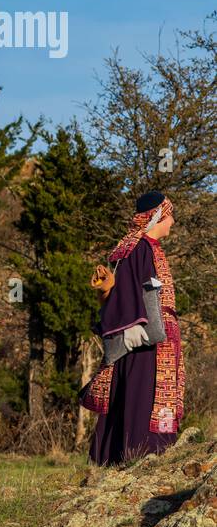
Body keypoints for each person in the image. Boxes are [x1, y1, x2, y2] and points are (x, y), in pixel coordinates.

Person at [84, 192, 183, 465]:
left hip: (153, 335)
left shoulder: (142, 247)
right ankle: (142, 456)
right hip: (146, 339)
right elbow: (136, 293)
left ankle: (147, 455)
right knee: (142, 396)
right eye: (170, 214)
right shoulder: (138, 248)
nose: (173, 221)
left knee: (146, 395)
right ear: (158, 216)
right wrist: (155, 329)